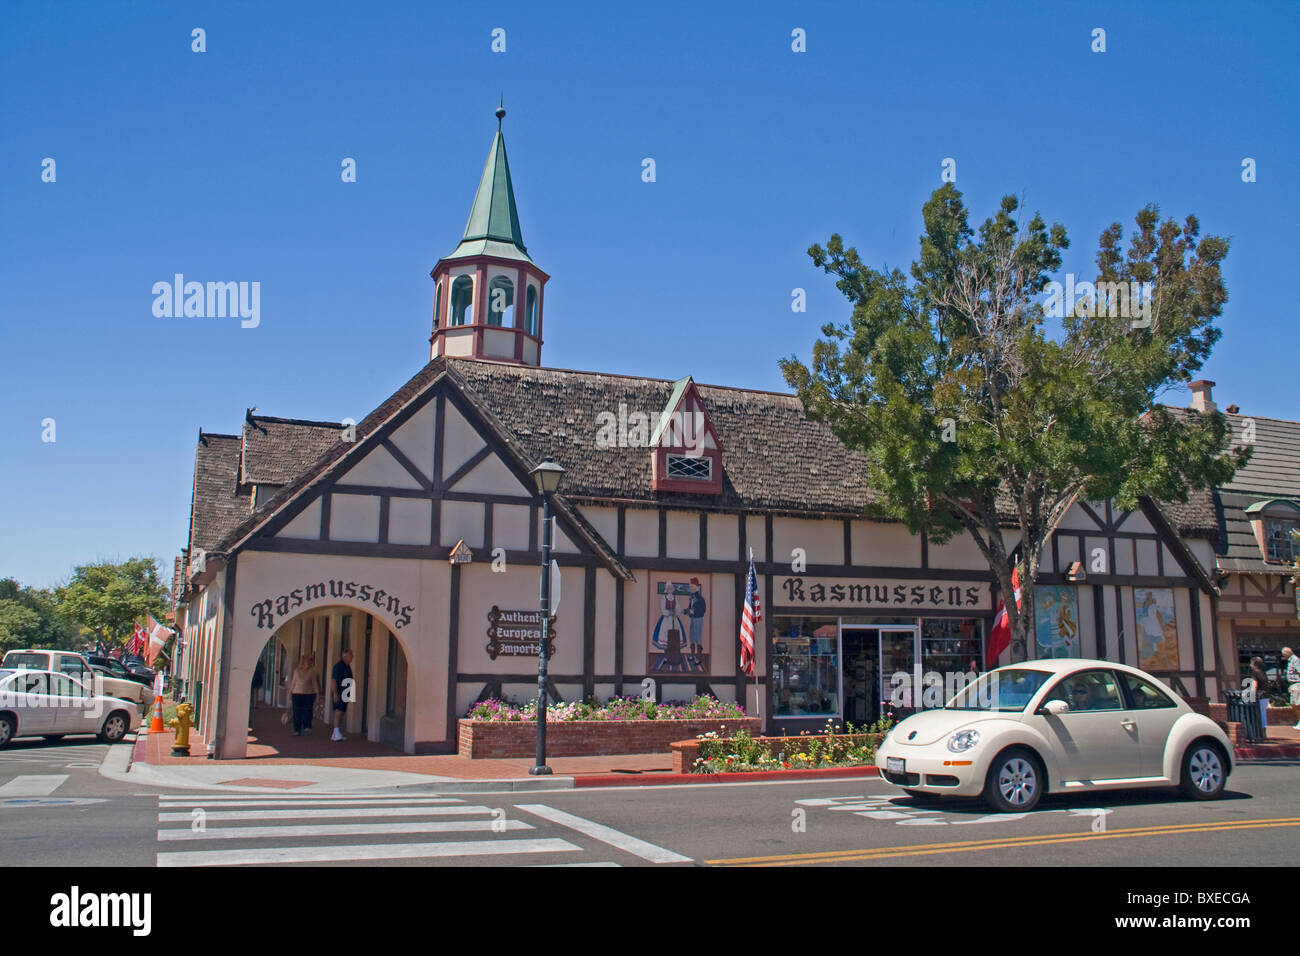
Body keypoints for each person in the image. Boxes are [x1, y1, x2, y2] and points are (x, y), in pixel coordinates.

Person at [287, 656, 319, 736]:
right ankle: (297, 729)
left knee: (307, 711)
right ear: (303, 662)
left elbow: (315, 683)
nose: (308, 662)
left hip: (308, 694)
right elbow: (293, 682)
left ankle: (307, 726)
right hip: (297, 694)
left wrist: (317, 694)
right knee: (297, 712)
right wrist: (290, 693)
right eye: (307, 661)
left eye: (309, 661)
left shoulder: (312, 672)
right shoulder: (296, 671)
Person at [330, 649, 354, 742]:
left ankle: (336, 733)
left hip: (345, 693)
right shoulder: (338, 666)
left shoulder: (347, 666)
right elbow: (333, 680)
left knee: (342, 712)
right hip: (340, 693)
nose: (352, 657)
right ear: (344, 656)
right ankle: (336, 732)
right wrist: (335, 693)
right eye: (350, 655)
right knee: (338, 712)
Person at [1249, 656, 1269, 732]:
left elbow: (1254, 685)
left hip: (1259, 696)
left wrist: (1252, 696)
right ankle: (1264, 732)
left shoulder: (1255, 673)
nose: (1250, 665)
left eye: (1251, 663)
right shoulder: (1263, 672)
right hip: (1265, 695)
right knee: (1263, 715)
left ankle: (1259, 732)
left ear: (1254, 664)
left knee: (1258, 715)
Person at [1285, 647, 1300, 729]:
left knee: (1297, 704)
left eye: (1284, 655)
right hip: (1293, 684)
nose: (1284, 657)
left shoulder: (1295, 660)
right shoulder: (1291, 660)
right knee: (1294, 704)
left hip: (1297, 684)